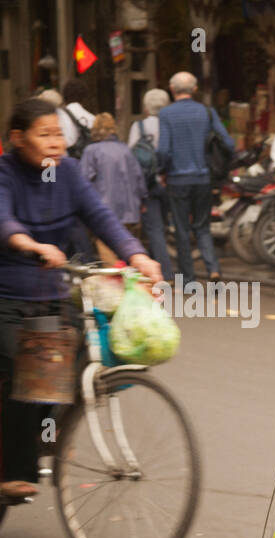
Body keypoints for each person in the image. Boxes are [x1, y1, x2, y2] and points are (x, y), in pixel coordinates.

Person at [0, 98, 162, 498]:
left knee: (78, 364)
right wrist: (31, 245)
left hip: (54, 295)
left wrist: (138, 256)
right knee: (21, 371)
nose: (56, 143)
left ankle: (46, 437)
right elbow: (3, 220)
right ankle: (12, 468)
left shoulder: (68, 173)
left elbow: (101, 217)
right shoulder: (4, 174)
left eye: (59, 134)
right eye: (45, 135)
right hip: (9, 297)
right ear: (18, 139)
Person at [157, 71, 234, 287]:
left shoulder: (166, 114)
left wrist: (162, 170)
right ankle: (214, 270)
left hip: (177, 179)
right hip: (203, 179)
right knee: (202, 227)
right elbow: (228, 143)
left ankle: (188, 278)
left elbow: (163, 150)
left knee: (182, 229)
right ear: (195, 89)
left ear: (172, 89)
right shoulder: (207, 113)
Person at [80, 113, 147, 263]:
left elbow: (83, 181)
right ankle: (129, 282)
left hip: (104, 212)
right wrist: (142, 201)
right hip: (130, 210)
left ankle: (117, 282)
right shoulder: (126, 150)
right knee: (129, 250)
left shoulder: (91, 151)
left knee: (107, 251)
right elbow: (139, 177)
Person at [128, 88, 174, 278]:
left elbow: (131, 157)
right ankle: (171, 270)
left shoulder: (138, 127)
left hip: (149, 184)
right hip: (170, 182)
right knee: (166, 227)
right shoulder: (170, 125)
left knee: (155, 229)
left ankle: (165, 273)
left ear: (146, 108)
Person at [56, 79, 94, 157]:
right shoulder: (93, 119)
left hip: (64, 161)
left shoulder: (57, 115)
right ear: (84, 97)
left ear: (64, 96)